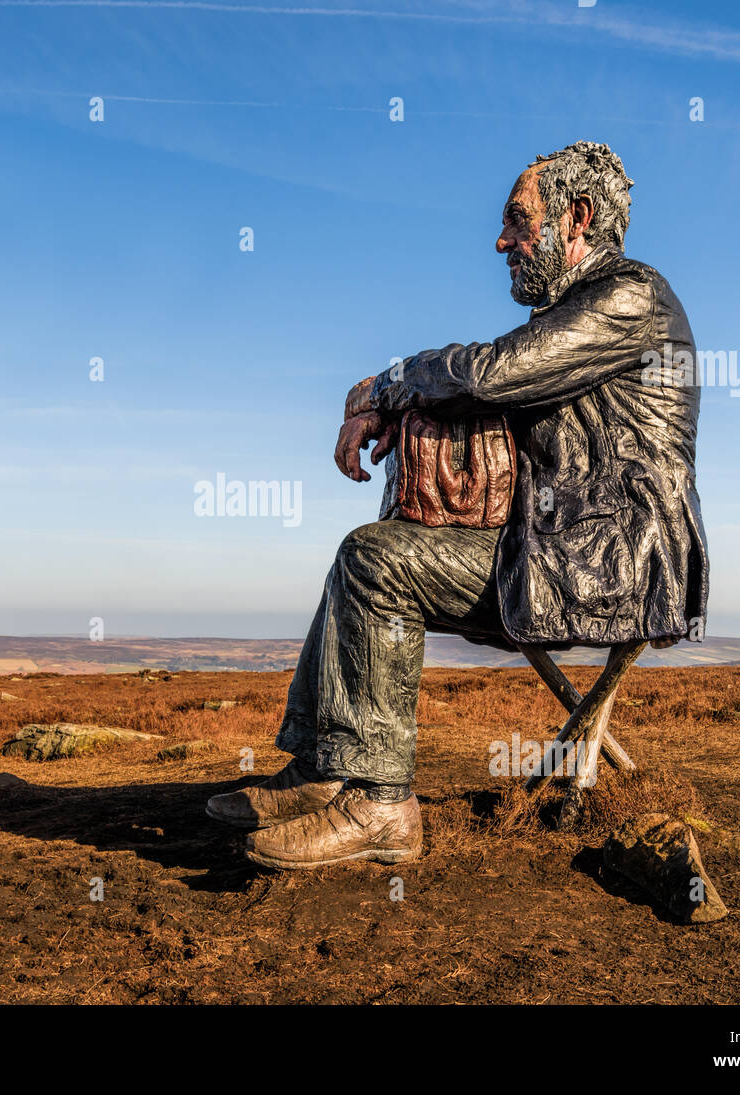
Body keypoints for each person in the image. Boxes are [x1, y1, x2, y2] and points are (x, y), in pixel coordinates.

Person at [208, 141, 709, 870]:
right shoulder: (581, 312)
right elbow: (493, 391)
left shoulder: (631, 297)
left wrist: (384, 387)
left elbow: (496, 373)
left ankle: (382, 805)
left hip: (615, 560)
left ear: (577, 217)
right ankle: (324, 773)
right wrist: (394, 411)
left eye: (518, 220)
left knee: (375, 561)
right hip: (562, 545)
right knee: (370, 552)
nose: (502, 240)